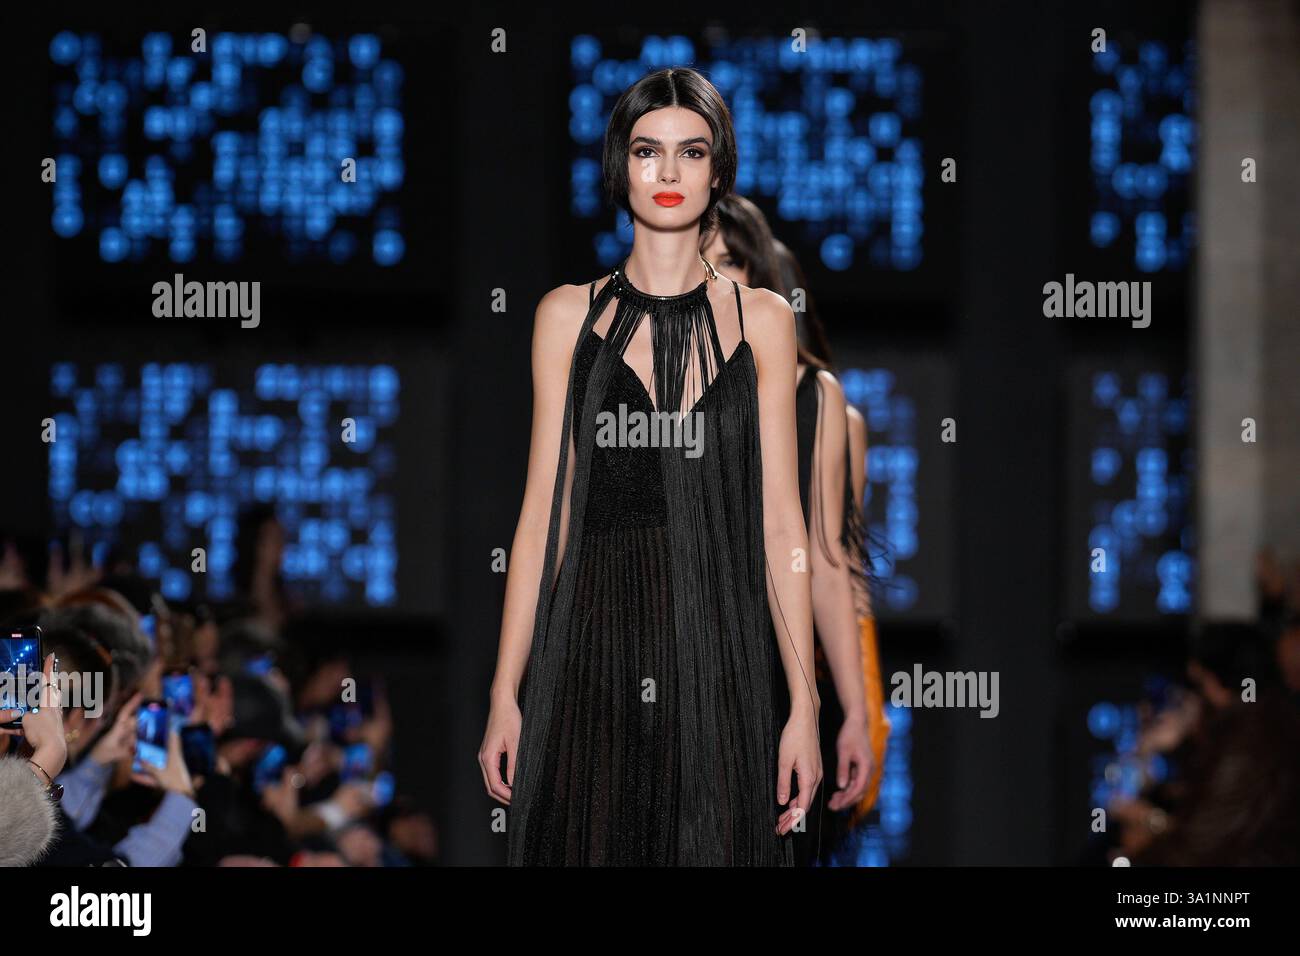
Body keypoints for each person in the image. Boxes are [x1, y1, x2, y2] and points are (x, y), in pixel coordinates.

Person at [480, 66, 820, 866]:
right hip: (592, 647)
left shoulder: (765, 322)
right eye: (647, 151)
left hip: (720, 651)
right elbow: (543, 516)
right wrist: (505, 689)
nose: (668, 174)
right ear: (619, 165)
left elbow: (781, 524)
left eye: (690, 152)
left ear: (718, 167)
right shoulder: (567, 316)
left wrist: (803, 702)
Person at [702, 195, 889, 864]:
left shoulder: (814, 397)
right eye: (701, 260)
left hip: (766, 681)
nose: (713, 277)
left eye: (730, 261)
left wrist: (857, 713)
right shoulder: (633, 371)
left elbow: (829, 562)